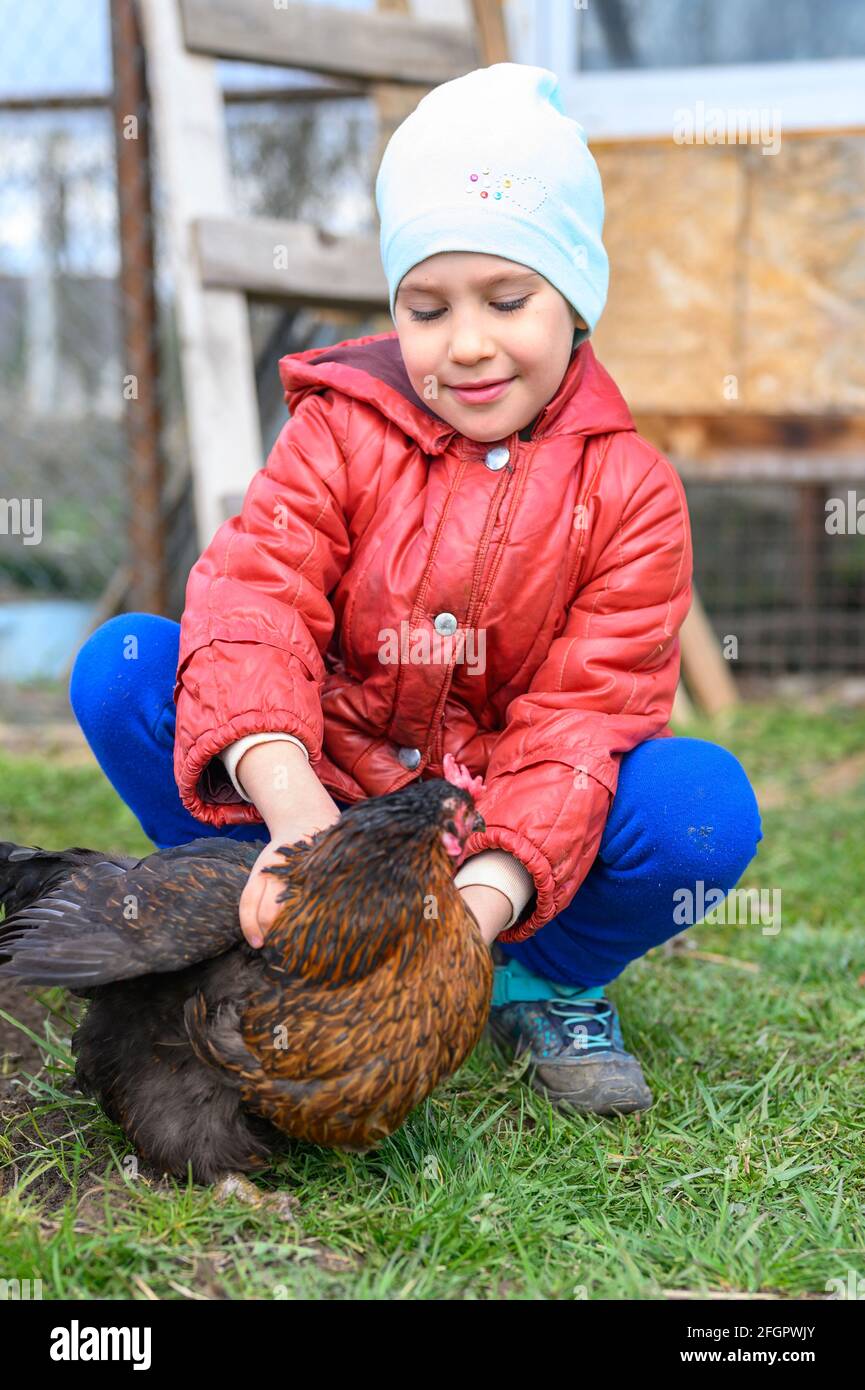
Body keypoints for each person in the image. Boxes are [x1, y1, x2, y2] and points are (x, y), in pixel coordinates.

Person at [70, 64, 762, 1116]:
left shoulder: (631, 497)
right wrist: (302, 829)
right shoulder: (336, 433)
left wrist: (458, 928)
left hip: (499, 827)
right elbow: (253, 605)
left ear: (575, 299)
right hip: (328, 797)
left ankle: (538, 976)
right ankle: (255, 915)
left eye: (507, 298)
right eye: (426, 307)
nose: (468, 343)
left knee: (698, 812)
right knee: (126, 666)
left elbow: (580, 727)